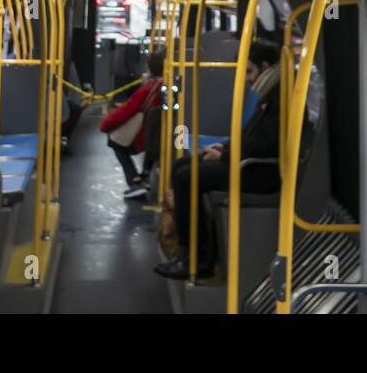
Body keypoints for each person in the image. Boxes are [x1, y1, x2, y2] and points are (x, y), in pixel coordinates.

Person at [153, 38, 282, 279]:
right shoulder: (270, 91)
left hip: (263, 173)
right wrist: (224, 148)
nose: (246, 78)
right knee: (181, 165)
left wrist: (225, 155)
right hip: (249, 162)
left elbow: (265, 144)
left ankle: (199, 258)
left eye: (249, 71)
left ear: (265, 67)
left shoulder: (280, 96)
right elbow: (251, 137)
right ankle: (187, 250)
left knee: (187, 177)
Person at [99, 48, 165, 199]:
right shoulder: (168, 85)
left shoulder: (149, 88)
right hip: (166, 134)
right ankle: (144, 176)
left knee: (115, 142)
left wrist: (105, 125)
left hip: (145, 136)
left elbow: (127, 111)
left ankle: (134, 182)